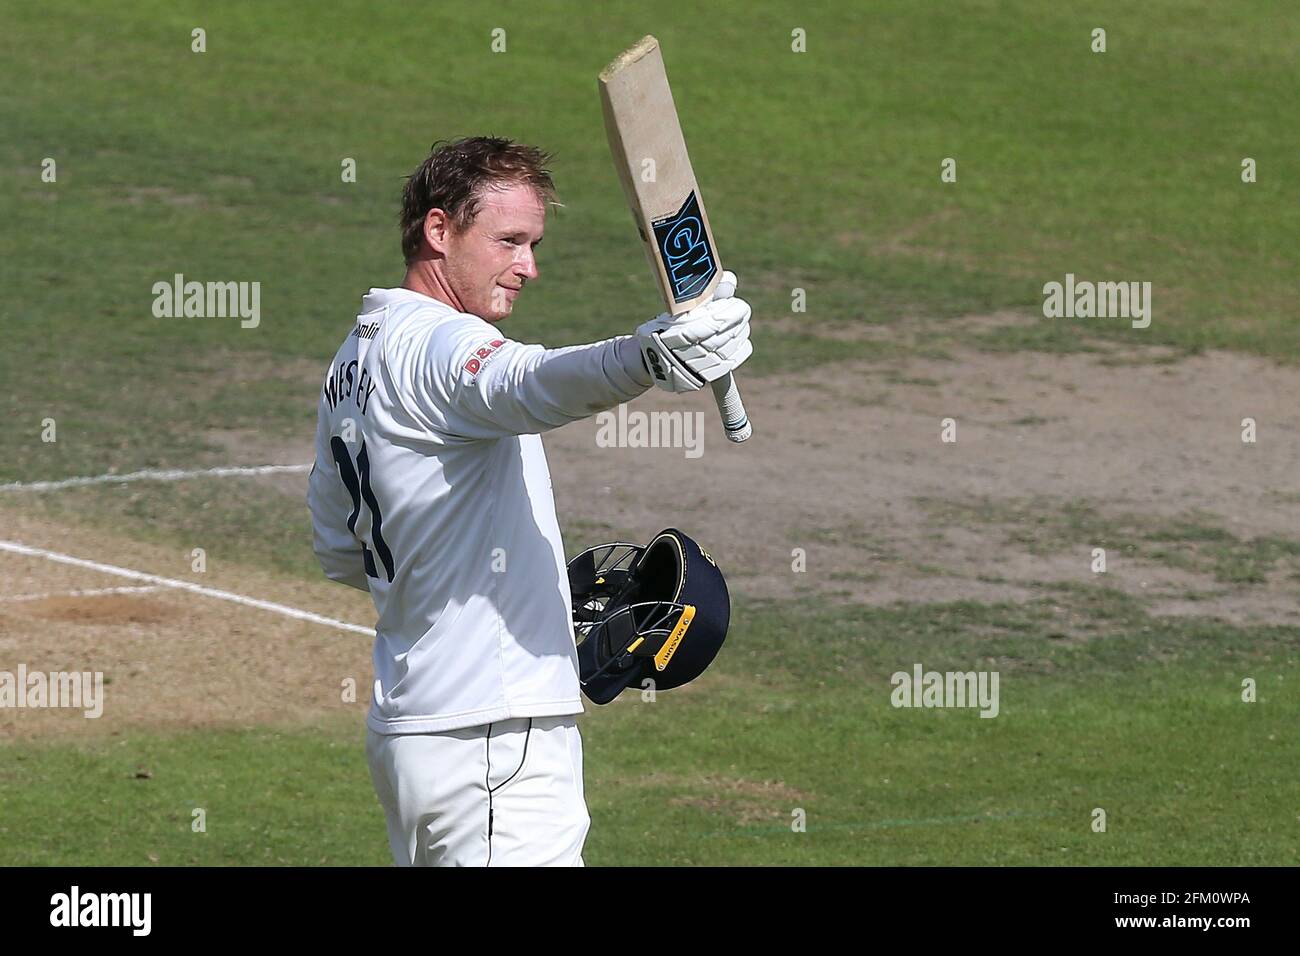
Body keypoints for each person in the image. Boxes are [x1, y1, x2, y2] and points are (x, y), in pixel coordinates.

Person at [306, 136, 752, 866]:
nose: (529, 267)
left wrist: (489, 587)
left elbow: (339, 551)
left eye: (534, 243)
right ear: (439, 230)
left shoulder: (355, 357)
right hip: (493, 740)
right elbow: (527, 383)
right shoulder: (441, 348)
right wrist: (650, 356)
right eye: (509, 241)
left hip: (416, 733)